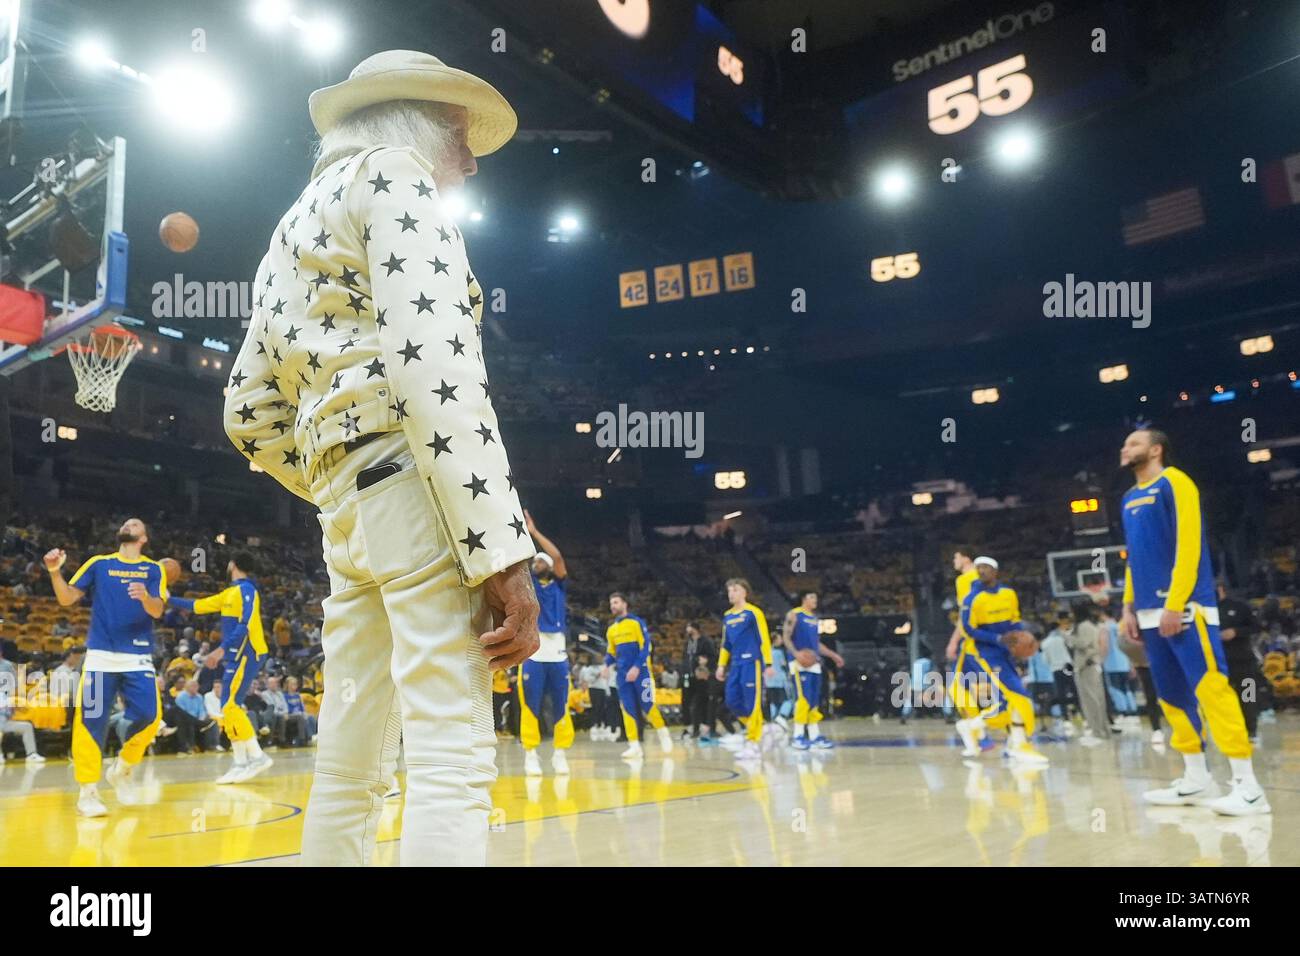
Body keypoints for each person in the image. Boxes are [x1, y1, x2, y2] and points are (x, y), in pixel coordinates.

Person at [222, 50, 540, 866]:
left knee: (351, 758)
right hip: (418, 492)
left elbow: (247, 414)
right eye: (461, 136)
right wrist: (498, 545)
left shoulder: (287, 231)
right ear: (418, 124)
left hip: (347, 511)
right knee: (449, 752)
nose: (469, 159)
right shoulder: (398, 176)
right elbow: (433, 369)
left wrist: (340, 480)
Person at [1118, 428, 1269, 815]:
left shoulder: (1176, 482)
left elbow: (1190, 544)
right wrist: (1127, 608)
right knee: (1170, 695)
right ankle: (1195, 778)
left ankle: (1248, 787)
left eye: (1133, 443)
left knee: (1211, 689)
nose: (1125, 448)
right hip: (1149, 613)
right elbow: (1134, 558)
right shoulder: (1129, 498)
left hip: (1186, 608)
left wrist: (1175, 601)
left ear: (1156, 449)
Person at [44, 518, 166, 817]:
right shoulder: (99, 563)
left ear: (144, 538)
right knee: (91, 722)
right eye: (127, 523)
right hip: (99, 656)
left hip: (137, 656)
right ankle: (87, 792)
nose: (130, 524)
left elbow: (158, 609)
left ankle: (122, 767)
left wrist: (145, 597)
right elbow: (67, 598)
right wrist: (54, 572)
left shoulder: (153, 569)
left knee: (151, 717)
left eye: (136, 524)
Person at [167, 551, 273, 783]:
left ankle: (256, 756)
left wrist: (220, 650)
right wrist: (167, 598)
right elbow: (197, 605)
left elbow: (244, 627)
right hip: (235, 655)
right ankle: (240, 762)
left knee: (232, 704)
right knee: (228, 707)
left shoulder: (247, 590)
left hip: (248, 653)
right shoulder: (228, 593)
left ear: (233, 565)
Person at [957, 557, 1049, 765]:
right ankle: (1018, 744)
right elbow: (968, 630)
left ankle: (974, 727)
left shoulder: (1008, 594)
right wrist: (998, 639)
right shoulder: (972, 599)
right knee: (1018, 694)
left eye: (986, 567)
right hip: (985, 652)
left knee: (1007, 700)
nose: (981, 571)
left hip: (1006, 651)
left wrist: (1020, 637)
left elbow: (1015, 620)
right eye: (978, 567)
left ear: (995, 571)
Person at [518, 511, 575, 777]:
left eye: (542, 560)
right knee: (531, 704)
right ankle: (530, 754)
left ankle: (559, 753)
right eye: (536, 560)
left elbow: (559, 557)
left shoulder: (558, 584)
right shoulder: (530, 584)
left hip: (558, 652)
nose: (537, 562)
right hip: (534, 650)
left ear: (550, 566)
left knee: (562, 704)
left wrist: (535, 532)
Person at [603, 592, 672, 759]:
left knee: (648, 706)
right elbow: (611, 653)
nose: (613, 606)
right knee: (627, 709)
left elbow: (646, 647)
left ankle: (663, 733)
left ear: (624, 604)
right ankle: (634, 746)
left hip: (641, 673)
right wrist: (606, 665)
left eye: (616, 602)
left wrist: (636, 667)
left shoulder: (636, 623)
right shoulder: (611, 630)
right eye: (611, 603)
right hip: (622, 676)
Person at [715, 578, 775, 762]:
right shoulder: (728, 616)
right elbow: (726, 643)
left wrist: (769, 663)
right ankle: (756, 728)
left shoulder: (753, 613)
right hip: (736, 664)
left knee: (752, 703)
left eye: (735, 590)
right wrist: (721, 665)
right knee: (732, 700)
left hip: (753, 663)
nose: (731, 593)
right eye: (729, 590)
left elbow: (764, 638)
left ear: (744, 592)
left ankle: (753, 743)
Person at [782, 591, 844, 750]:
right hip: (799, 662)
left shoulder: (814, 619)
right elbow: (786, 637)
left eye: (816, 598)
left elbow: (816, 644)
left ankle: (814, 735)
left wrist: (833, 655)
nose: (815, 600)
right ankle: (797, 735)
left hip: (814, 662)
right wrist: (796, 654)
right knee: (803, 699)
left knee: (814, 700)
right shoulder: (794, 614)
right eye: (811, 597)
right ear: (804, 599)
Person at [1218, 583, 1263, 744]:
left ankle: (1252, 731)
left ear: (1220, 588)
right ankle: (1230, 733)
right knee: (1224, 701)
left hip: (1245, 662)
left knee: (1248, 697)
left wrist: (1236, 632)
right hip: (1220, 665)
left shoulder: (1240, 606)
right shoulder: (1207, 610)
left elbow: (1257, 627)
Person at [1067, 601, 1111, 745]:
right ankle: (1101, 730)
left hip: (1086, 666)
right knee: (1097, 699)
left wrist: (1069, 638)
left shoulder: (1083, 626)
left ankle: (1097, 732)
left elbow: (1083, 643)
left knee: (1090, 701)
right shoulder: (1090, 625)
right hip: (1090, 665)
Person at [679, 623, 717, 742]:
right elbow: (685, 657)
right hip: (688, 676)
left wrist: (706, 662)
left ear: (695, 628)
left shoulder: (706, 641)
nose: (687, 629)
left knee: (700, 702)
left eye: (689, 627)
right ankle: (690, 726)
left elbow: (713, 657)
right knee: (687, 702)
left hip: (701, 676)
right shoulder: (688, 642)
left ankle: (703, 726)